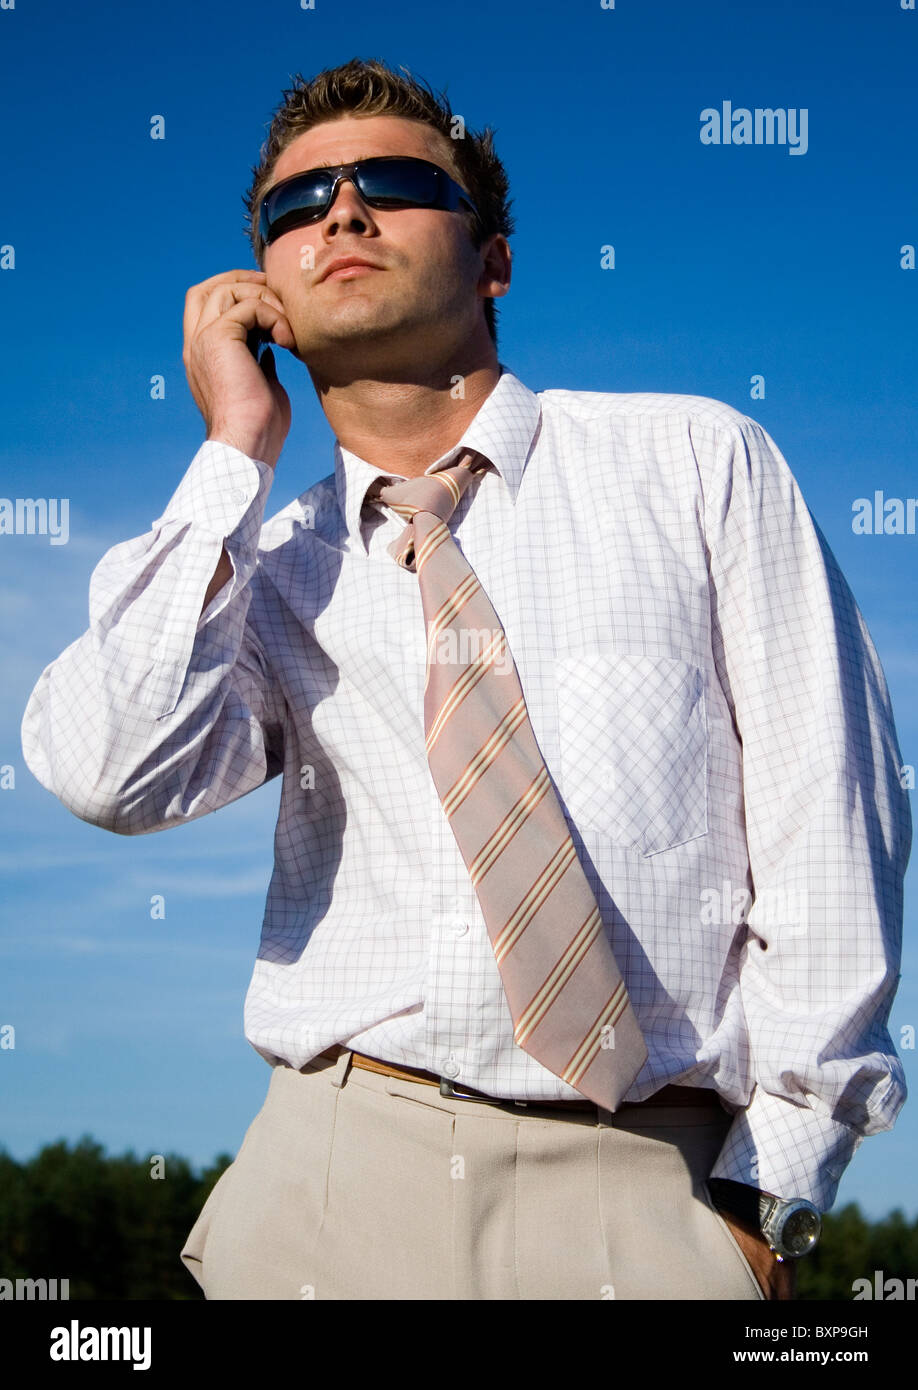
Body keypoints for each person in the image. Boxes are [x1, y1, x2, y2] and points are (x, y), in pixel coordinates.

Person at [21, 57, 910, 1302]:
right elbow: (109, 770)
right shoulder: (267, 572)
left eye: (390, 183)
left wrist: (769, 1197)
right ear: (264, 289)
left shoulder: (698, 463)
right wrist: (232, 453)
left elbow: (833, 827)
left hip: (652, 1192)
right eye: (298, 204)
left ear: (494, 260)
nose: (341, 214)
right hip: (329, 1180)